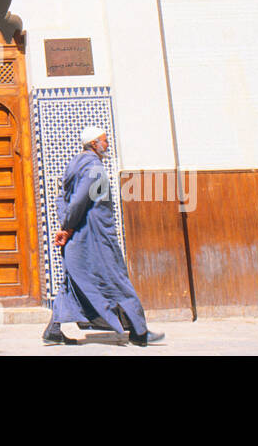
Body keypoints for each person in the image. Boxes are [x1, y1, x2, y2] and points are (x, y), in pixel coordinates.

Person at [43, 126, 165, 348]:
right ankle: (139, 331)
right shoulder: (94, 167)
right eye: (104, 141)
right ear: (93, 144)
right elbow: (81, 200)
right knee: (117, 278)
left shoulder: (73, 164)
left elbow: (62, 197)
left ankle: (53, 329)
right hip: (95, 236)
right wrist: (68, 227)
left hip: (79, 236)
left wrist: (66, 225)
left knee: (73, 280)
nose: (107, 144)